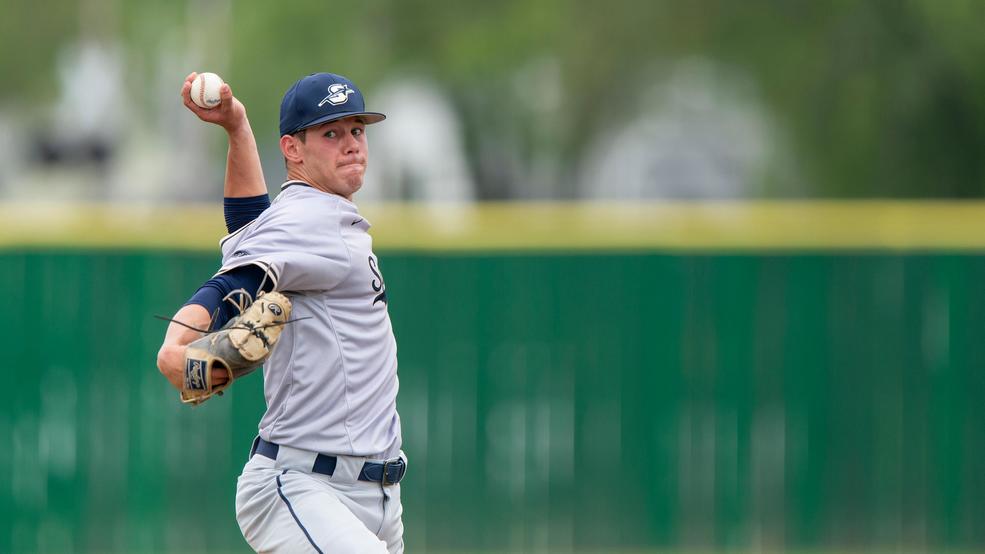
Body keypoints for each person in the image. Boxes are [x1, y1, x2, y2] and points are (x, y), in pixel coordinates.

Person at [156, 71, 405, 553]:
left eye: (357, 129)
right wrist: (176, 345)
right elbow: (231, 283)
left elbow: (249, 226)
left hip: (371, 493)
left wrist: (237, 126)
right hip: (306, 485)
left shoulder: (305, 217)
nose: (351, 144)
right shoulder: (314, 218)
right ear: (293, 149)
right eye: (331, 133)